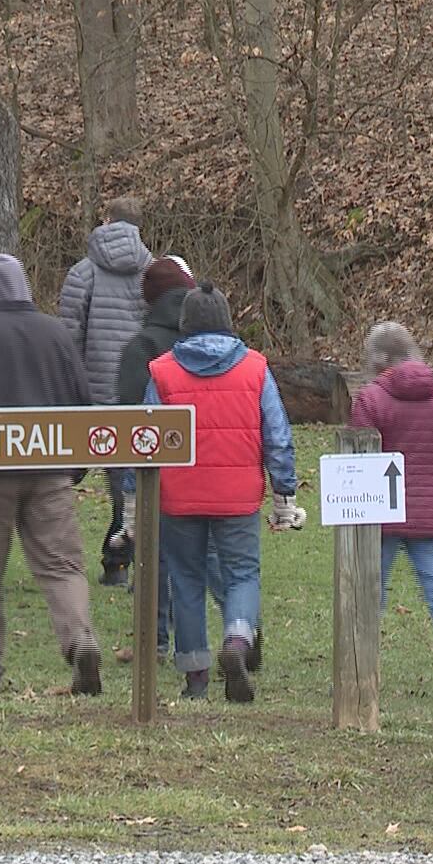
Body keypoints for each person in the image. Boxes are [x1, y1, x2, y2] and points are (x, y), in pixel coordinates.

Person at [0, 254, 103, 696]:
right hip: (49, 468)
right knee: (62, 565)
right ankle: (79, 639)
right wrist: (73, 468)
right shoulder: (56, 333)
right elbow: (82, 402)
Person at [145, 284, 303, 702]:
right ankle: (236, 641)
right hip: (237, 494)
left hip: (178, 495)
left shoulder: (162, 371)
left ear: (185, 324)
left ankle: (195, 675)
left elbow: (142, 437)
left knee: (186, 579)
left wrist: (131, 495)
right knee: (242, 573)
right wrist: (284, 490)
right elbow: (277, 434)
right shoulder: (255, 368)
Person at [351, 322, 433, 705]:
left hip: (380, 514)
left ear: (378, 360)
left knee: (370, 593)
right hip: (430, 513)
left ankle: (359, 672)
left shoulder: (370, 400)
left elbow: (357, 459)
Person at [117, 256, 233, 665]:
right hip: (216, 467)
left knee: (155, 560)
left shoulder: (143, 347)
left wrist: (128, 484)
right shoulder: (223, 347)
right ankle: (242, 629)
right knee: (215, 558)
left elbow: (132, 420)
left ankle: (156, 643)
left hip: (160, 473)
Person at [57, 196, 154, 586]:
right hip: (136, 389)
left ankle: (65, 556)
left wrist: (70, 385)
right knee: (125, 478)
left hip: (89, 389)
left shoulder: (83, 273)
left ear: (107, 221)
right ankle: (119, 559)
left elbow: (69, 336)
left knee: (65, 473)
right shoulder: (151, 271)